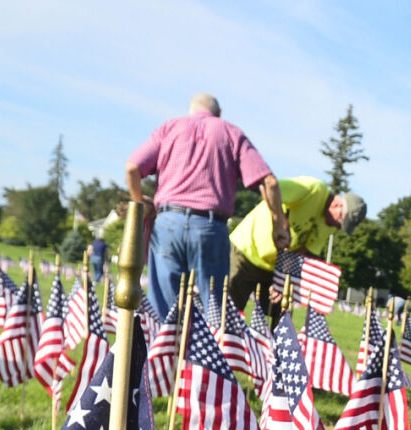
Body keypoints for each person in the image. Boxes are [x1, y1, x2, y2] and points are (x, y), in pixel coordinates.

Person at [125, 93, 285, 319]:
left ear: (192, 109)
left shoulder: (170, 127)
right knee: (214, 312)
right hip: (210, 227)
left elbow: (132, 167)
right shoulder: (230, 132)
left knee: (161, 313)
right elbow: (269, 182)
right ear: (218, 114)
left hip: (168, 222)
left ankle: (160, 353)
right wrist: (278, 224)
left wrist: (139, 201)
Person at [228, 175, 366, 314]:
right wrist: (280, 220)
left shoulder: (329, 224)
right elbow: (269, 188)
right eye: (340, 221)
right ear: (336, 205)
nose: (337, 227)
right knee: (228, 311)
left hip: (273, 267)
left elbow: (303, 251)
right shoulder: (313, 189)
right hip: (246, 251)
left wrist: (282, 280)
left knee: (282, 313)